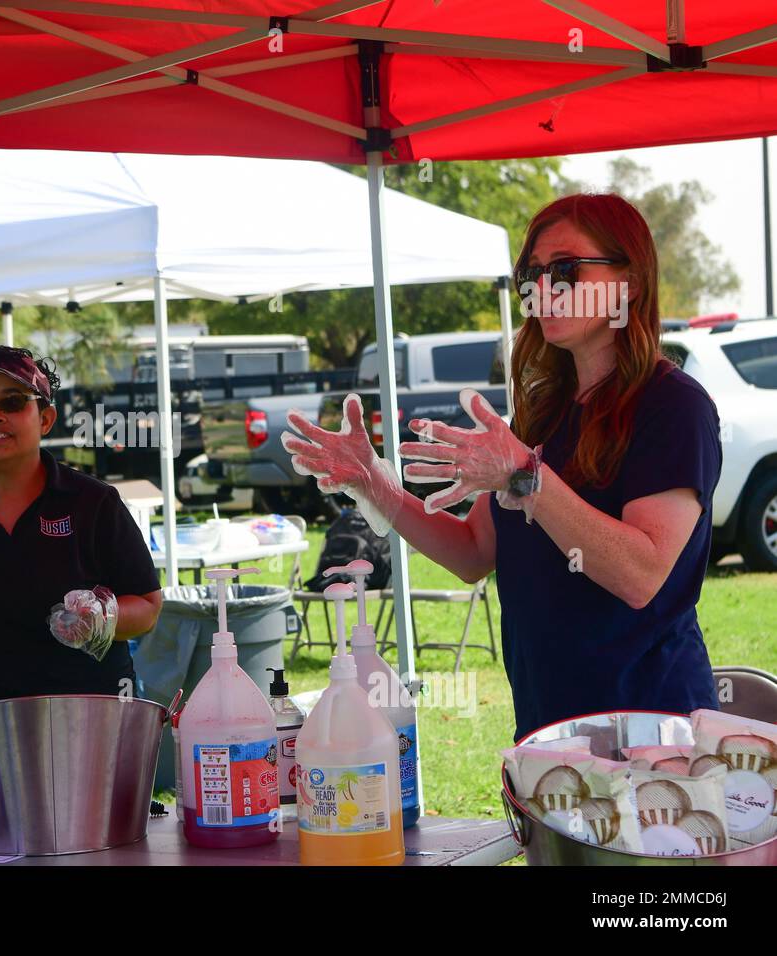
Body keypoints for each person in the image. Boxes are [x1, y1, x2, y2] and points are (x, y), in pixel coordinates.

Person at [284, 193, 721, 742]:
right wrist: (376, 485)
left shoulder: (674, 405)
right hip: (548, 730)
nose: (544, 289)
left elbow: (641, 575)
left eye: (565, 269)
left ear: (628, 284)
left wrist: (526, 478)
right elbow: (473, 552)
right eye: (531, 274)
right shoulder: (545, 413)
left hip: (653, 733)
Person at [0, 347, 164, 725]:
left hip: (83, 719)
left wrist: (101, 617)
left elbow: (149, 607)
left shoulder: (92, 502)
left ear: (46, 418)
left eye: (13, 401)